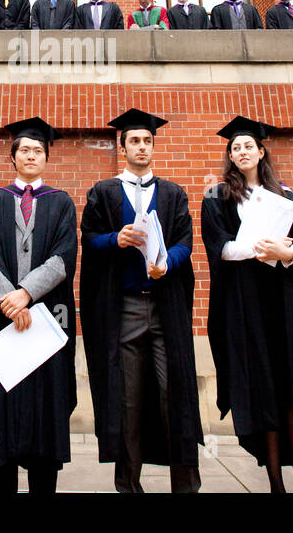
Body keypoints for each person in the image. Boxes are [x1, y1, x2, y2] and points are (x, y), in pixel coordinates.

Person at [200, 117, 293, 493]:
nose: (242, 152)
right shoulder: (218, 197)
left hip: (286, 305)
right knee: (265, 395)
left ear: (261, 151)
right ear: (230, 156)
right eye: (235, 148)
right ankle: (276, 484)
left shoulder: (285, 196)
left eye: (248, 146)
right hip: (248, 309)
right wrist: (263, 249)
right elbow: (221, 248)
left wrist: (287, 251)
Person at [79, 108, 202, 492]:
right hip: (125, 307)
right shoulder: (103, 191)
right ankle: (128, 486)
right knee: (127, 401)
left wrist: (167, 264)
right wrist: (115, 239)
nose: (142, 147)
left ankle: (184, 485)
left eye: (147, 141)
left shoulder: (172, 192)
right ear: (124, 146)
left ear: (154, 145)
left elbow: (185, 242)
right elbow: (89, 239)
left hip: (165, 306)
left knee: (174, 393)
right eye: (135, 141)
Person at [0, 117, 77, 494]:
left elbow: (64, 258)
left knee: (44, 421)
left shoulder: (61, 203)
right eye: (24, 150)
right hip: (3, 325)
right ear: (12, 157)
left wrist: (27, 294)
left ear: (46, 158)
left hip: (45, 327)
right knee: (2, 416)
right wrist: (9, 300)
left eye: (38, 150)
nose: (31, 156)